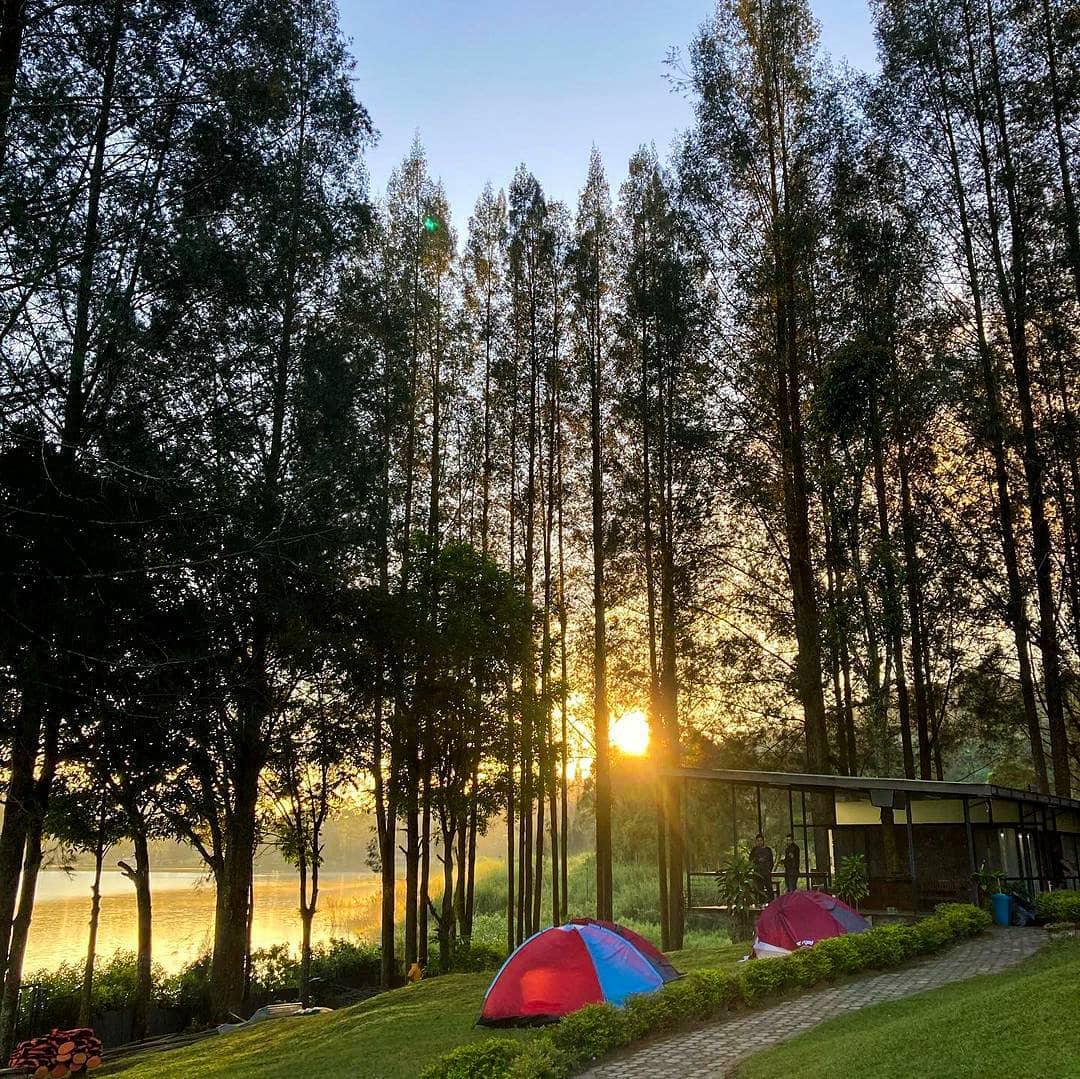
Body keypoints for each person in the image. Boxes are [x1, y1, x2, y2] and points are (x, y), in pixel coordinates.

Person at [750, 833, 774, 902]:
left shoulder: (768, 850)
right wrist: (757, 861)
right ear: (756, 841)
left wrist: (769, 869)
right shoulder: (754, 850)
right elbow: (751, 861)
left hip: (766, 873)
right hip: (758, 873)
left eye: (761, 840)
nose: (759, 842)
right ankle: (761, 903)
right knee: (759, 889)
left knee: (769, 888)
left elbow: (771, 861)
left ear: (763, 841)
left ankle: (771, 903)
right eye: (758, 841)